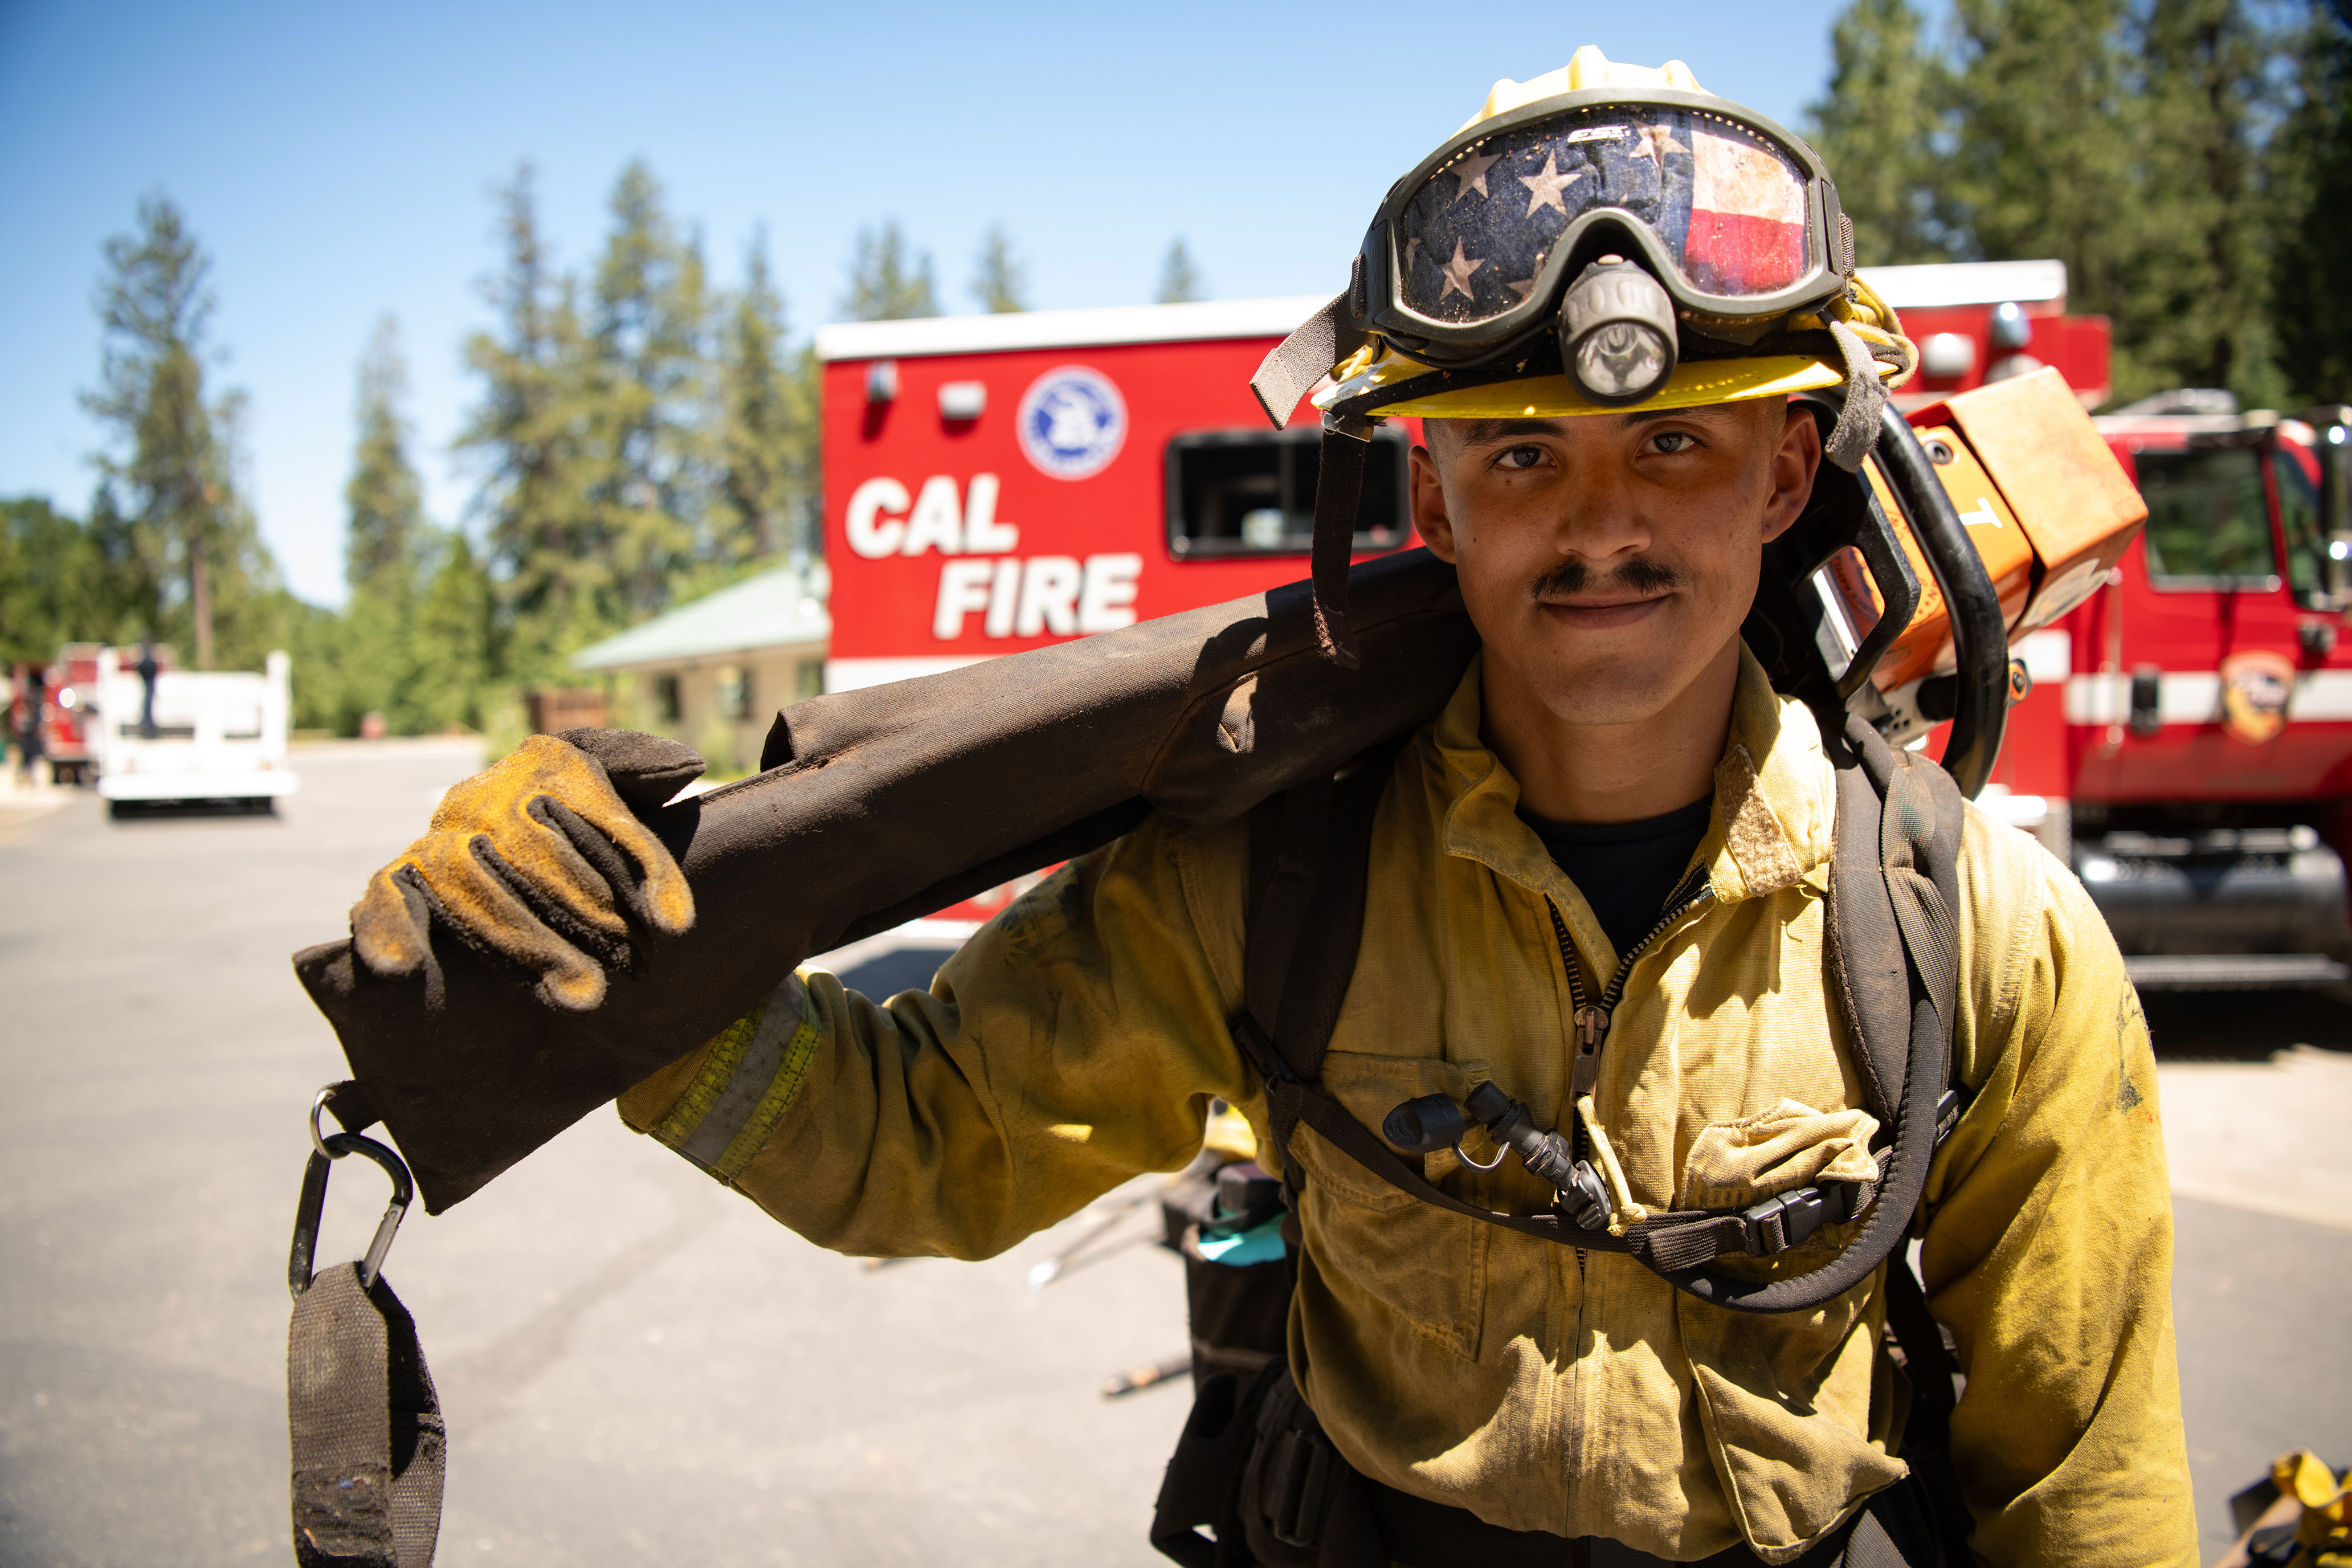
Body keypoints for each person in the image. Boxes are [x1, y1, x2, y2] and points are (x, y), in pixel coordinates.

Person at [350, 50, 2194, 1565]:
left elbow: (2086, 1483)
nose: (1604, 523)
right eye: (1525, 455)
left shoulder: (1974, 939)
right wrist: (628, 976)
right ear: (1434, 491)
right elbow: (927, 1136)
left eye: (1677, 444)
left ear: (1791, 469)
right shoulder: (1269, 876)